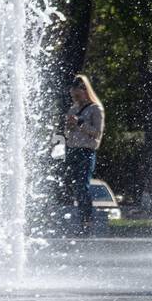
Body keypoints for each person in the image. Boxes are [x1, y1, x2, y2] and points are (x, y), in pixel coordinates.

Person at [63, 74, 105, 232]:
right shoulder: (73, 108)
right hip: (72, 149)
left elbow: (97, 133)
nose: (75, 97)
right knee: (73, 185)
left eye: (77, 94)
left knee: (83, 185)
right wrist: (69, 126)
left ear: (85, 91)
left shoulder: (95, 109)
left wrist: (80, 123)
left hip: (86, 151)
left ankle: (87, 218)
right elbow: (67, 133)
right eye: (73, 95)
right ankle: (79, 216)